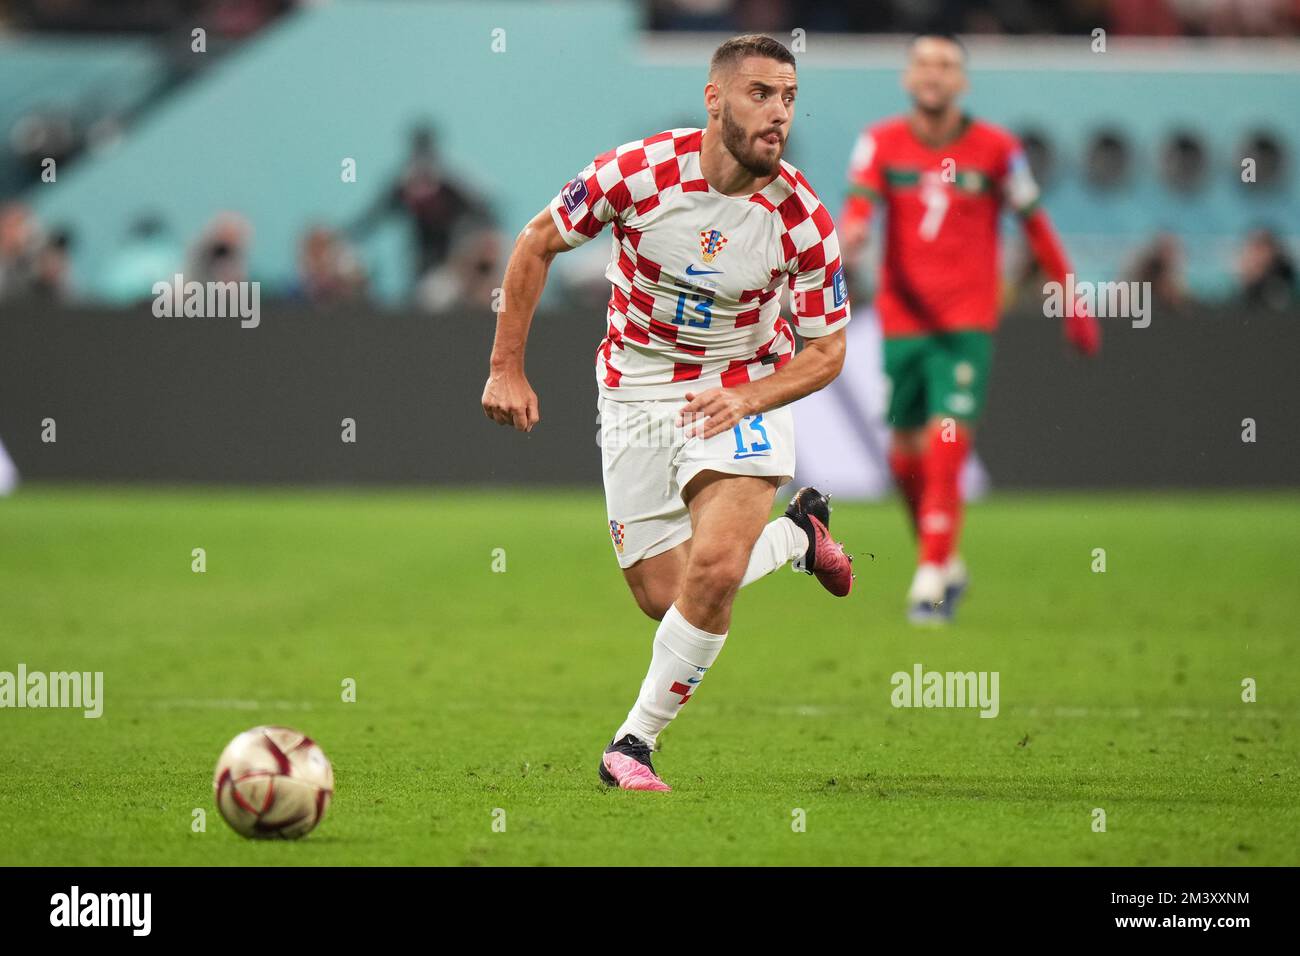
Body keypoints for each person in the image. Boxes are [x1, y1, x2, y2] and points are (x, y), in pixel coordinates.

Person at [481, 34, 855, 791]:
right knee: (667, 597)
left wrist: (748, 395)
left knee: (713, 571)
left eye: (788, 97)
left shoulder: (803, 219)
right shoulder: (638, 171)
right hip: (635, 392)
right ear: (714, 100)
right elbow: (535, 243)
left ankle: (633, 744)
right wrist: (505, 367)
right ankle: (796, 538)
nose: (778, 112)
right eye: (759, 93)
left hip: (740, 385)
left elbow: (826, 352)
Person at [839, 33, 1100, 626]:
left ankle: (929, 580)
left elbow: (1037, 227)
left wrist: (1073, 302)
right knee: (904, 457)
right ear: (909, 78)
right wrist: (852, 231)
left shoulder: (998, 150)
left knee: (948, 440)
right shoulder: (880, 142)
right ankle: (945, 557)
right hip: (903, 321)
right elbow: (859, 203)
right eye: (924, 63)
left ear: (964, 82)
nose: (934, 73)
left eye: (947, 65)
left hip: (966, 323)